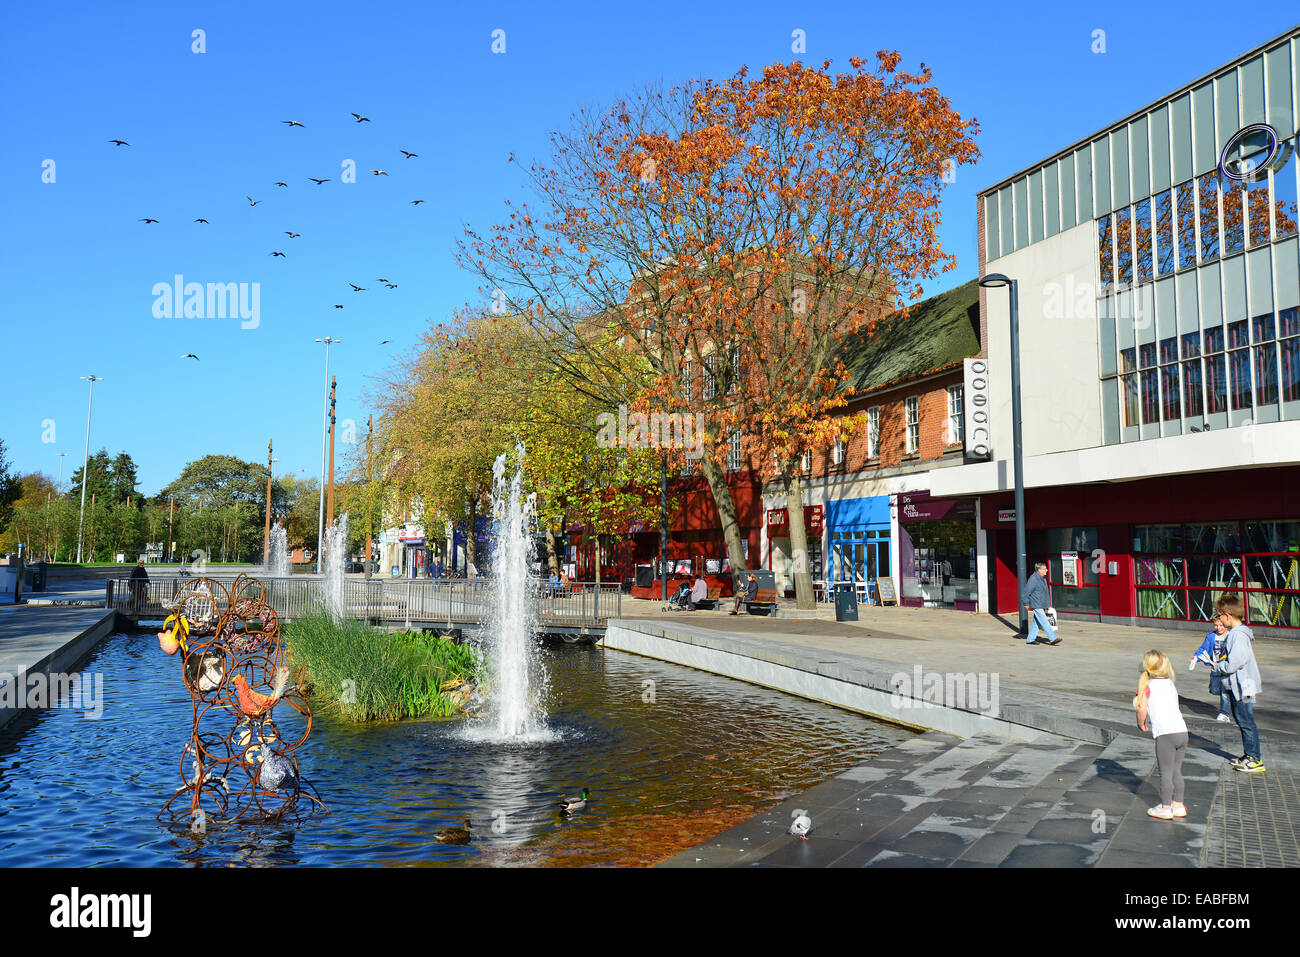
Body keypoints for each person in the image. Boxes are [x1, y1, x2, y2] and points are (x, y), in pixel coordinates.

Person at [1211, 596, 1264, 773]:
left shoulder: (1238, 635)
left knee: (1246, 721)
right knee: (1243, 721)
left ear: (1228, 615)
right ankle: (1249, 755)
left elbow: (1236, 662)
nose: (1218, 619)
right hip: (1239, 685)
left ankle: (1255, 759)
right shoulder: (1237, 633)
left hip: (1244, 686)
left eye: (1219, 615)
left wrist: (1218, 666)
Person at [1134, 650, 1189, 820]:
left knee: (1165, 772)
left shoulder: (1147, 686)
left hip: (1165, 734)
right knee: (1176, 770)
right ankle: (1178, 805)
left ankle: (1165, 807)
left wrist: (1141, 723)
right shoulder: (1170, 683)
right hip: (1182, 731)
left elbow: (1142, 708)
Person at [1189, 616, 1232, 722]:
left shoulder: (1231, 636)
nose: (1218, 628)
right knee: (1215, 689)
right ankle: (1230, 698)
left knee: (1225, 692)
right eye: (1216, 625)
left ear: (1226, 624)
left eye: (1221, 625)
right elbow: (1203, 649)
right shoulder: (1211, 636)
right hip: (1215, 668)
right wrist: (1195, 657)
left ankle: (1224, 714)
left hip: (1227, 669)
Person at [1019, 561, 1060, 646]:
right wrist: (1026, 603)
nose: (1047, 570)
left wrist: (1047, 604)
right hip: (1036, 604)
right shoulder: (1033, 579)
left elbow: (1044, 593)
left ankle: (1030, 639)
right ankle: (1052, 638)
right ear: (1039, 570)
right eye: (1045, 569)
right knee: (1044, 621)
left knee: (1036, 622)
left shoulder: (1042, 578)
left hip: (1041, 603)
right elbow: (1026, 592)